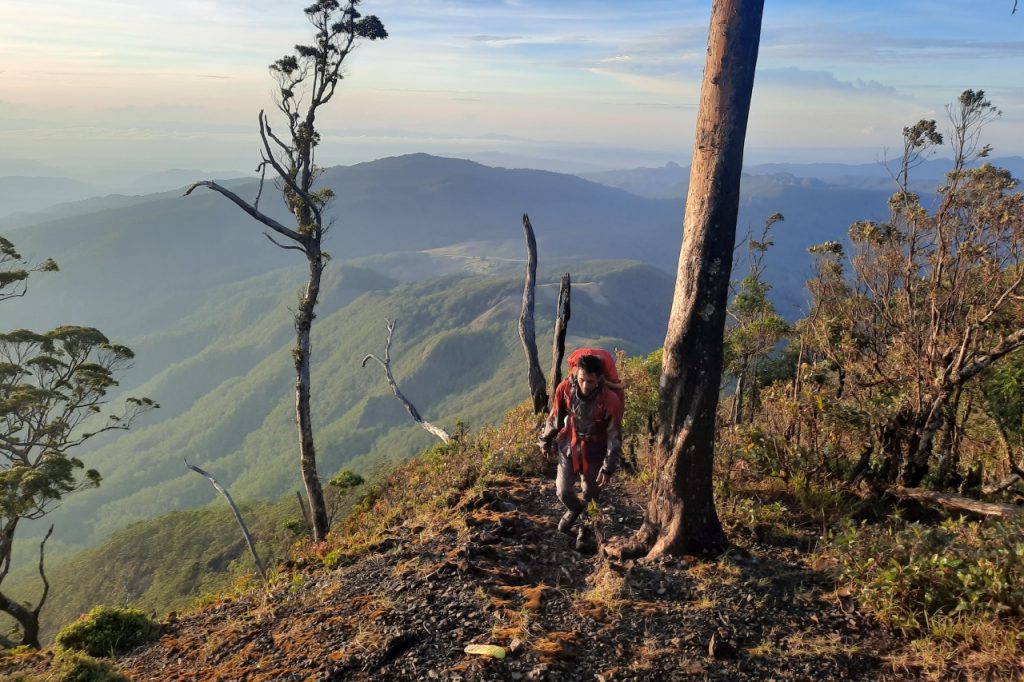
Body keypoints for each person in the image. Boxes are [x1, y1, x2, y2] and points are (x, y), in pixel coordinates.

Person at [538, 353, 623, 551]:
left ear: (600, 379)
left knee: (591, 493)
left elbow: (614, 436)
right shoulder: (565, 388)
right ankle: (574, 510)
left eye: (591, 382)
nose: (585, 385)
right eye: (582, 380)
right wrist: (545, 440)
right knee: (563, 490)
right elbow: (555, 418)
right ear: (576, 374)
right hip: (569, 446)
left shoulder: (609, 400)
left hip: (596, 450)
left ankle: (585, 533)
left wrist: (608, 467)